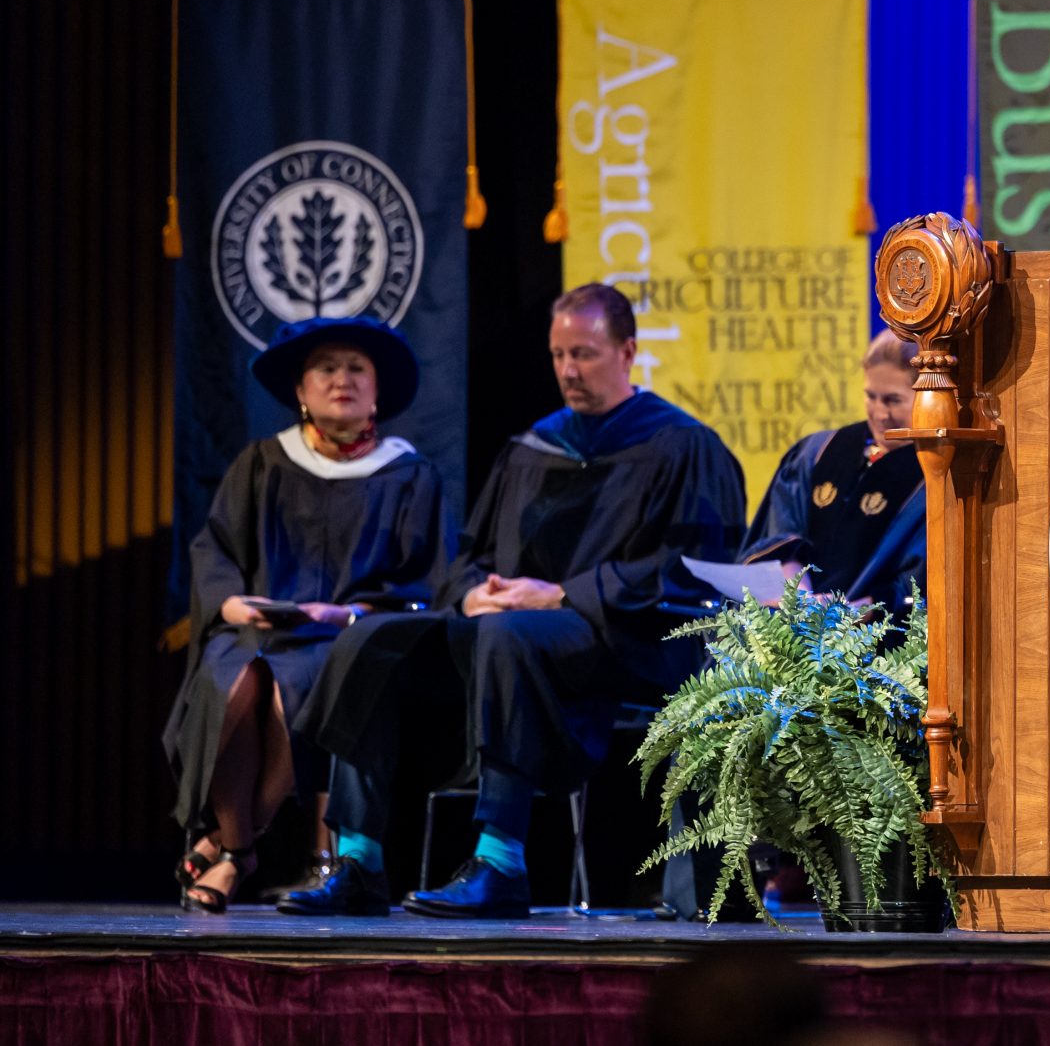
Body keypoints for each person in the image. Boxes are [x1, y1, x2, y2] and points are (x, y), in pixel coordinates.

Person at [284, 283, 746, 919]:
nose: (567, 371)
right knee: (374, 639)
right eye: (558, 355)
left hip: (626, 640)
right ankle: (358, 860)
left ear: (628, 351)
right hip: (514, 637)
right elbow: (470, 553)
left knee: (512, 635)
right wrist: (475, 592)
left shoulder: (683, 446)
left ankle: (501, 862)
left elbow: (688, 570)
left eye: (583, 354)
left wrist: (559, 595)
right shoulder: (535, 446)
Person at [162, 317, 448, 913]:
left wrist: (349, 612)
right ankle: (241, 847)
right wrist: (230, 601)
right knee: (233, 681)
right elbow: (214, 548)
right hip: (256, 629)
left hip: (347, 638)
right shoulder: (262, 462)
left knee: (293, 688)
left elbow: (423, 577)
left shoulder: (409, 473)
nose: (341, 380)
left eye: (356, 368)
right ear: (300, 388)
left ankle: (230, 849)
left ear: (377, 389)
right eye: (325, 367)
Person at [727, 329, 926, 611]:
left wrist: (854, 614)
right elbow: (782, 532)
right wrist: (802, 598)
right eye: (871, 396)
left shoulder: (933, 475)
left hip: (877, 643)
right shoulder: (818, 452)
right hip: (793, 631)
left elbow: (920, 581)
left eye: (893, 400)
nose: (880, 413)